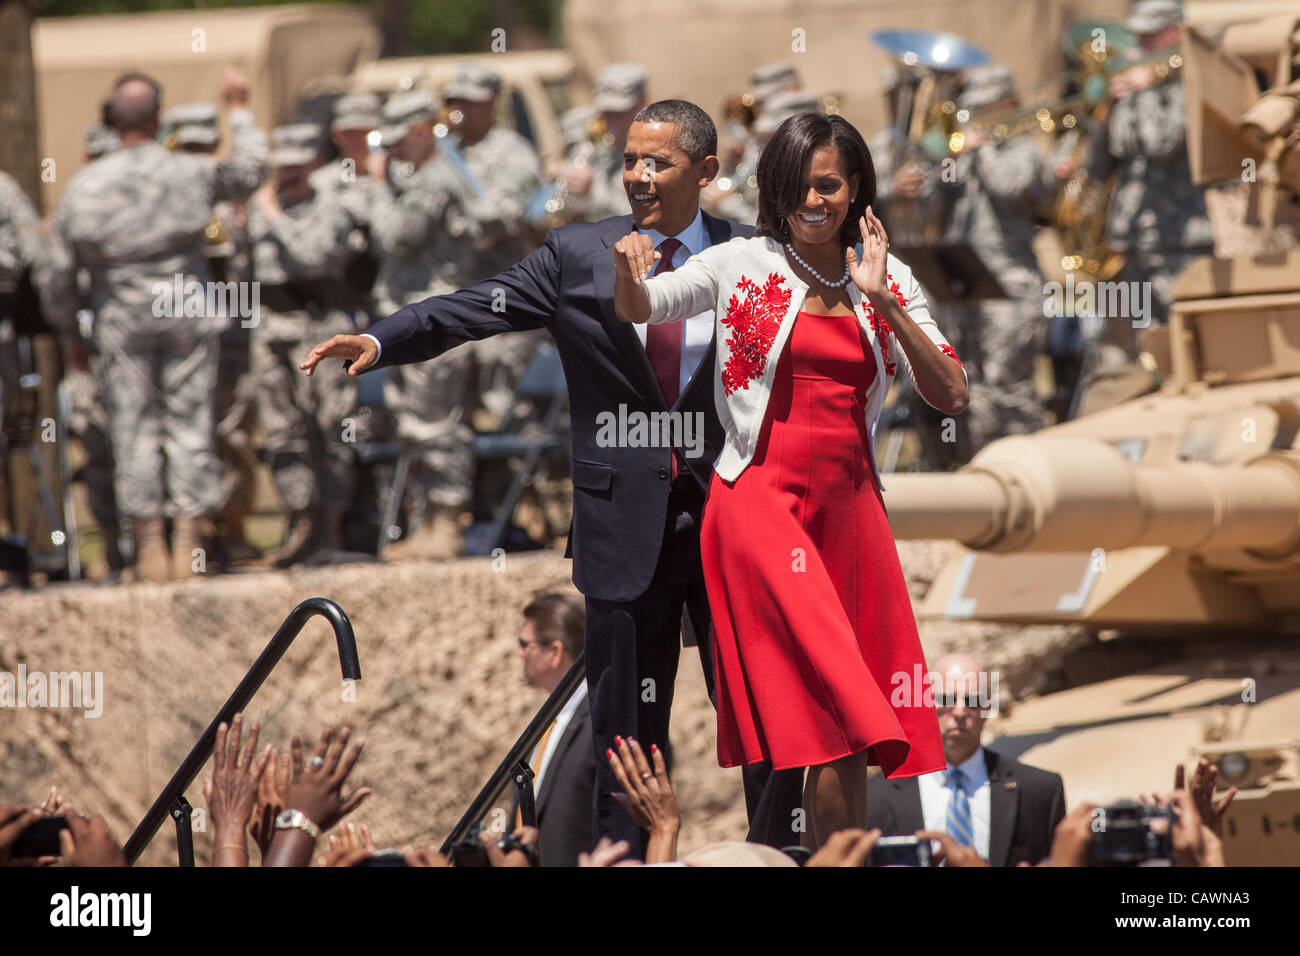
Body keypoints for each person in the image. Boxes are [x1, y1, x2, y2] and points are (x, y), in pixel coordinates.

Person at [299, 98, 805, 855]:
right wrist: (382, 337)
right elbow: (474, 308)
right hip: (622, 528)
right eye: (630, 159)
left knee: (763, 711)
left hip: (731, 519)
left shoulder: (750, 251)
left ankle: (779, 855)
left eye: (657, 162)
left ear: (706, 170)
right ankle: (621, 860)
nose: (636, 175)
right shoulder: (576, 255)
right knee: (626, 732)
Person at [612, 110, 967, 847]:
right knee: (844, 703)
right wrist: (629, 276)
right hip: (762, 506)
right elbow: (649, 307)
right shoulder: (742, 263)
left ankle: (824, 857)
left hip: (853, 514)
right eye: (800, 186)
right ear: (777, 190)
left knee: (853, 721)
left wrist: (883, 302)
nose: (816, 200)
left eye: (831, 184)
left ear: (856, 187)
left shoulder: (887, 274)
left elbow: (951, 391)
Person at [40, 70, 265, 582]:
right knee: (189, 426)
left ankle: (149, 548)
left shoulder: (85, 185)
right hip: (183, 306)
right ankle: (189, 542)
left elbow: (57, 273)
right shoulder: (188, 170)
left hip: (121, 315)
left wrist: (70, 332)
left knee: (133, 429)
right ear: (159, 120)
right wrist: (239, 108)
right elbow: (252, 170)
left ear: (112, 121)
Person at [367, 89, 503, 560]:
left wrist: (376, 188)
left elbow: (397, 236)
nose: (390, 153)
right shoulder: (423, 176)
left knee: (435, 425)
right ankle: (429, 522)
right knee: (413, 423)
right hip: (413, 320)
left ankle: (447, 523)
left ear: (422, 133)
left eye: (398, 142)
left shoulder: (434, 180)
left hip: (434, 320)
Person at [929, 64, 1055, 464]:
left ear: (1009, 106)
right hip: (966, 283)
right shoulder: (964, 155)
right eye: (971, 111)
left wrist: (979, 147)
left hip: (1011, 286)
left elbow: (1008, 187)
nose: (974, 119)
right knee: (975, 386)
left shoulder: (1025, 152)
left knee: (1011, 388)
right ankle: (983, 469)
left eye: (984, 109)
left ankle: (1036, 467)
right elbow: (934, 203)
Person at [247, 123, 357, 566]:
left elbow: (313, 256)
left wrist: (272, 217)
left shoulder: (331, 206)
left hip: (319, 327)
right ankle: (300, 520)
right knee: (281, 431)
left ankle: (333, 526)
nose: (288, 176)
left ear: (312, 166)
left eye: (296, 168)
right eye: (282, 168)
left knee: (333, 427)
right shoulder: (259, 206)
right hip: (272, 329)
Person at [866, 653, 1067, 865]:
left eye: (973, 701)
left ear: (988, 708)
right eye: (945, 699)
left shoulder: (1039, 791)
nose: (960, 712)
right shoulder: (874, 800)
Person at [509, 591, 594, 866]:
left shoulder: (595, 726)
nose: (520, 652)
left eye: (526, 644)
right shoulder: (548, 722)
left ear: (555, 652)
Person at [558, 63, 648, 221]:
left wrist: (592, 190)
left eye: (618, 112)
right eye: (605, 112)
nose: (609, 120)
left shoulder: (656, 157)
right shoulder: (598, 149)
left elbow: (643, 217)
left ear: (642, 105)